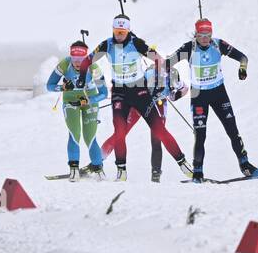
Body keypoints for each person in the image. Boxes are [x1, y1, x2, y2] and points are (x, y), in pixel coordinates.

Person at [74, 12, 194, 181]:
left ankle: (183, 164)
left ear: (128, 31)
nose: (119, 35)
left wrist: (163, 81)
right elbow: (87, 61)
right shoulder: (106, 45)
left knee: (159, 130)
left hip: (139, 91)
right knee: (120, 132)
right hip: (119, 92)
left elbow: (159, 59)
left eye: (122, 32)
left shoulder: (137, 43)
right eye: (116, 31)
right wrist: (81, 78)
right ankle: (118, 170)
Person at [166, 17, 258, 181]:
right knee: (201, 135)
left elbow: (242, 57)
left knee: (232, 129)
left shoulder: (218, 44)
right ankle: (197, 172)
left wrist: (242, 69)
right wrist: (169, 81)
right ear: (195, 34)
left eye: (208, 34)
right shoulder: (189, 47)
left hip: (219, 93)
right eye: (201, 34)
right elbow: (167, 63)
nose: (205, 38)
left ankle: (245, 165)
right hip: (199, 96)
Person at [46, 38, 108, 181]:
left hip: (89, 101)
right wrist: (62, 87)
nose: (77, 62)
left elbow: (104, 93)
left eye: (81, 59)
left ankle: (98, 168)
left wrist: (90, 100)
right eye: (74, 58)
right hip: (70, 101)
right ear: (71, 56)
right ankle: (74, 168)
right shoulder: (65, 64)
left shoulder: (93, 67)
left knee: (90, 137)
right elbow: (49, 86)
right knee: (74, 134)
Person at [138, 63, 188, 182]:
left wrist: (174, 96)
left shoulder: (173, 73)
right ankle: (99, 163)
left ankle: (155, 174)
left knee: (156, 139)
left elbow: (185, 88)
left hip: (160, 105)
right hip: (146, 104)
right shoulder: (148, 72)